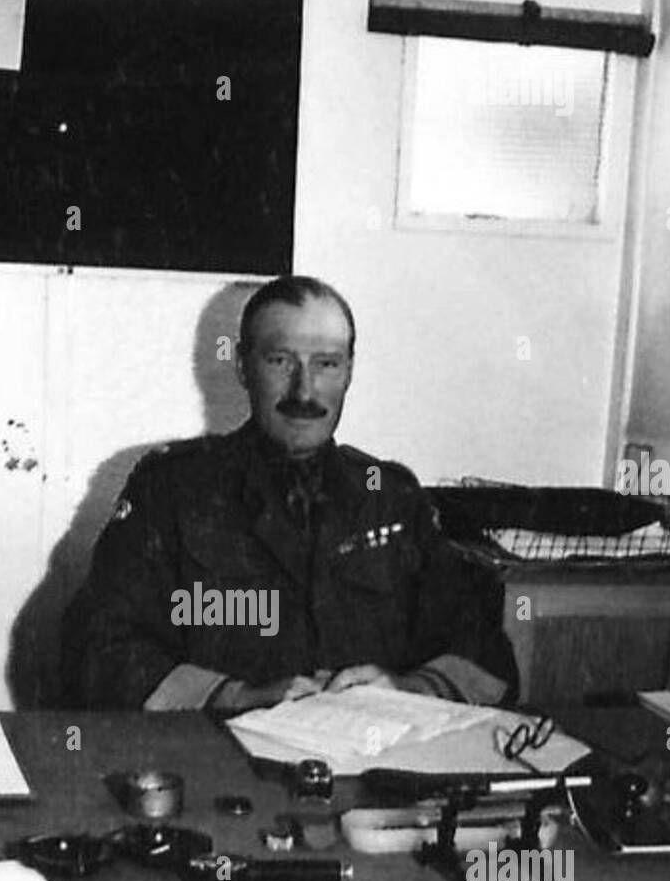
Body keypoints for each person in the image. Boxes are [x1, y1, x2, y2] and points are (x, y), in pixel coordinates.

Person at [62, 275, 514, 712]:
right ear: (243, 366)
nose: (305, 390)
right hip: (221, 758)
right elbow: (95, 648)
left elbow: (485, 650)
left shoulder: (391, 497)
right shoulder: (172, 489)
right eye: (280, 361)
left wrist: (411, 687)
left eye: (327, 364)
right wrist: (233, 696)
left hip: (371, 765)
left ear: (350, 371)